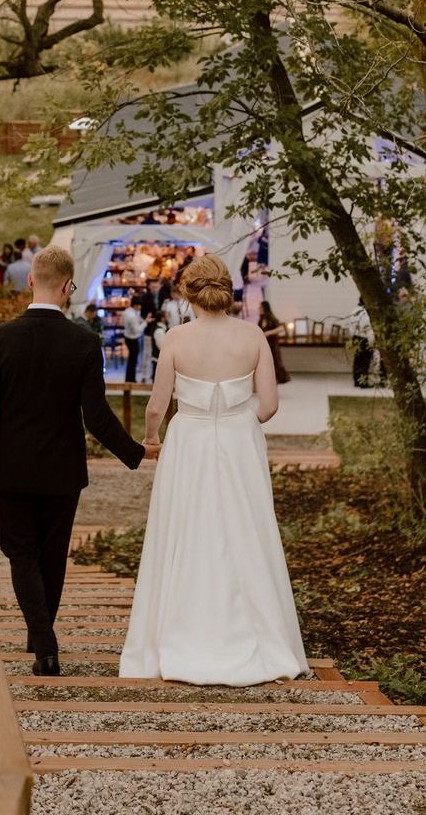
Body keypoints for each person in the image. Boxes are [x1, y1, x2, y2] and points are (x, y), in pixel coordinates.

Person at [0, 246, 152, 675]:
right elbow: (96, 417)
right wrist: (138, 453)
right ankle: (42, 637)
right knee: (52, 555)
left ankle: (43, 642)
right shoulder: (84, 341)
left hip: (13, 471)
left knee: (21, 555)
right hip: (63, 472)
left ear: (30, 280)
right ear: (67, 288)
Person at [119, 253, 307, 684]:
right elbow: (270, 404)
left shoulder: (176, 339)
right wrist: (239, 424)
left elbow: (156, 406)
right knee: (246, 528)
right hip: (240, 444)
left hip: (189, 442)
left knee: (186, 528)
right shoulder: (252, 336)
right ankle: (260, 635)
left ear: (187, 292)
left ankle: (178, 632)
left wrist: (153, 439)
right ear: (227, 290)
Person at [258, 300, 290, 385]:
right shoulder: (261, 320)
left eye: (261, 307)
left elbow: (281, 328)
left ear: (265, 308)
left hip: (273, 345)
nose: (259, 309)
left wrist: (268, 333)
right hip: (265, 345)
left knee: (275, 363)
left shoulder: (271, 318)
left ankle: (275, 382)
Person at [122, 295, 145, 384]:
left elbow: (138, 319)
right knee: (133, 361)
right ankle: (131, 379)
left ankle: (130, 378)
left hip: (128, 336)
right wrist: (146, 323)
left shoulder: (128, 311)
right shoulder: (132, 315)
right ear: (135, 305)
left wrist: (144, 320)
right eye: (140, 305)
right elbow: (137, 330)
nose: (141, 307)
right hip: (132, 339)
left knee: (132, 360)